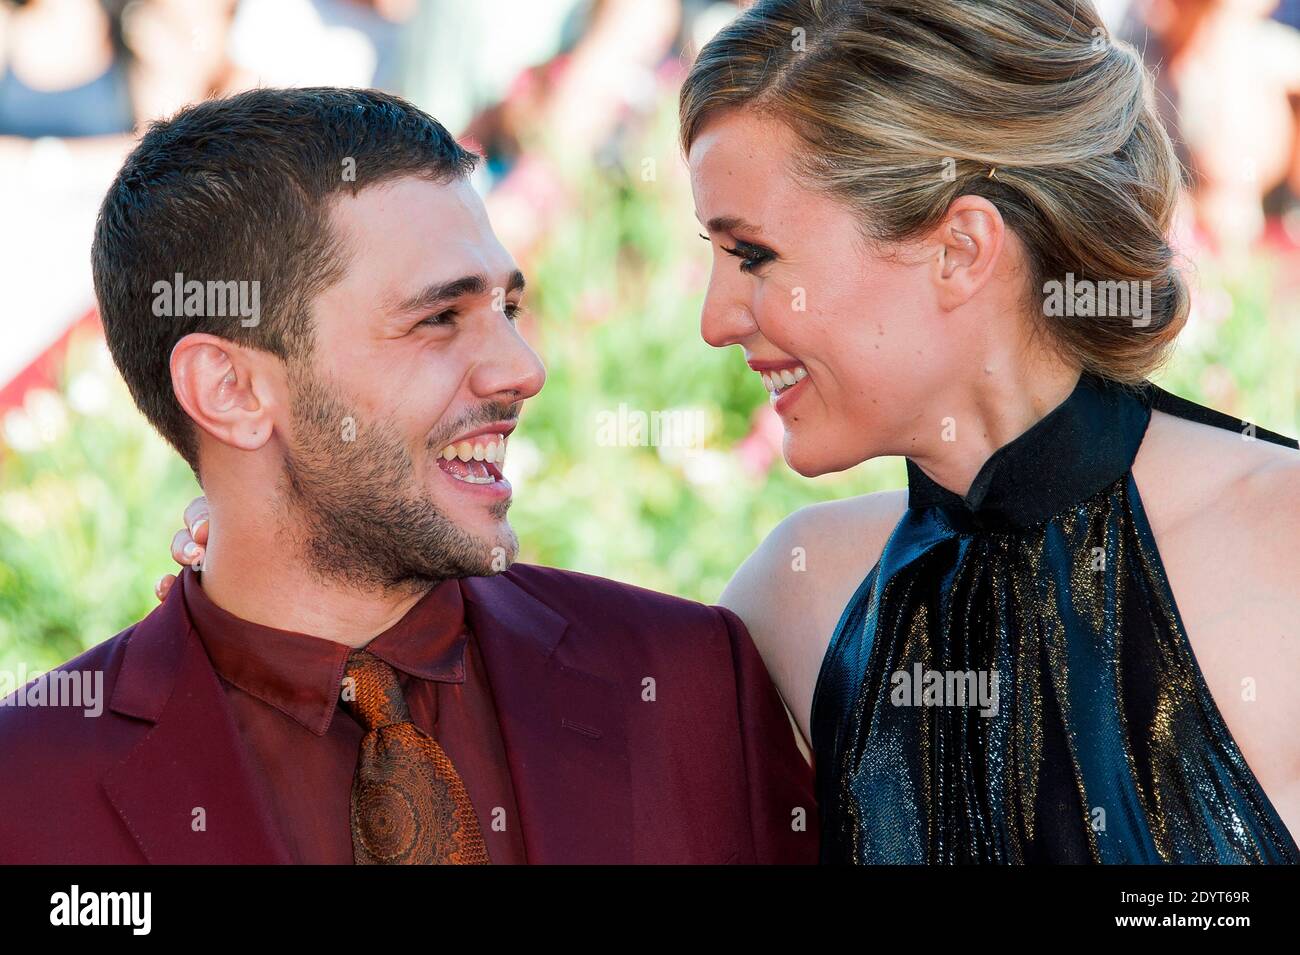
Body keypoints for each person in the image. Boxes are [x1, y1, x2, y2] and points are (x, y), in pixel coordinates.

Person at [0, 87, 816, 865]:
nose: (522, 370)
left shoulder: (685, 678)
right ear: (231, 389)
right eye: (438, 318)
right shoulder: (27, 790)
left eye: (507, 309)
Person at [677, 0, 1300, 862]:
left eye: (754, 255)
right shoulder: (796, 599)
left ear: (961, 250)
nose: (714, 322)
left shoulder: (1282, 543)